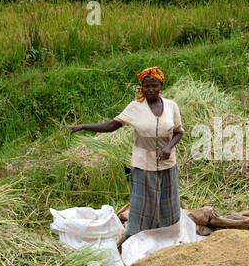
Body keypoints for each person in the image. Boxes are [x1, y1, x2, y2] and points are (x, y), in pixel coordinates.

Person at [64, 67, 184, 235]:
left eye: (154, 86)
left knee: (167, 204)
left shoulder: (171, 106)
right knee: (142, 206)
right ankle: (138, 236)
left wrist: (168, 147)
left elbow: (178, 132)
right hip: (143, 165)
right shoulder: (136, 107)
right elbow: (111, 126)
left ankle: (167, 235)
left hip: (167, 165)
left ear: (161, 85)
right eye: (146, 86)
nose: (150, 90)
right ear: (141, 87)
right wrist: (83, 126)